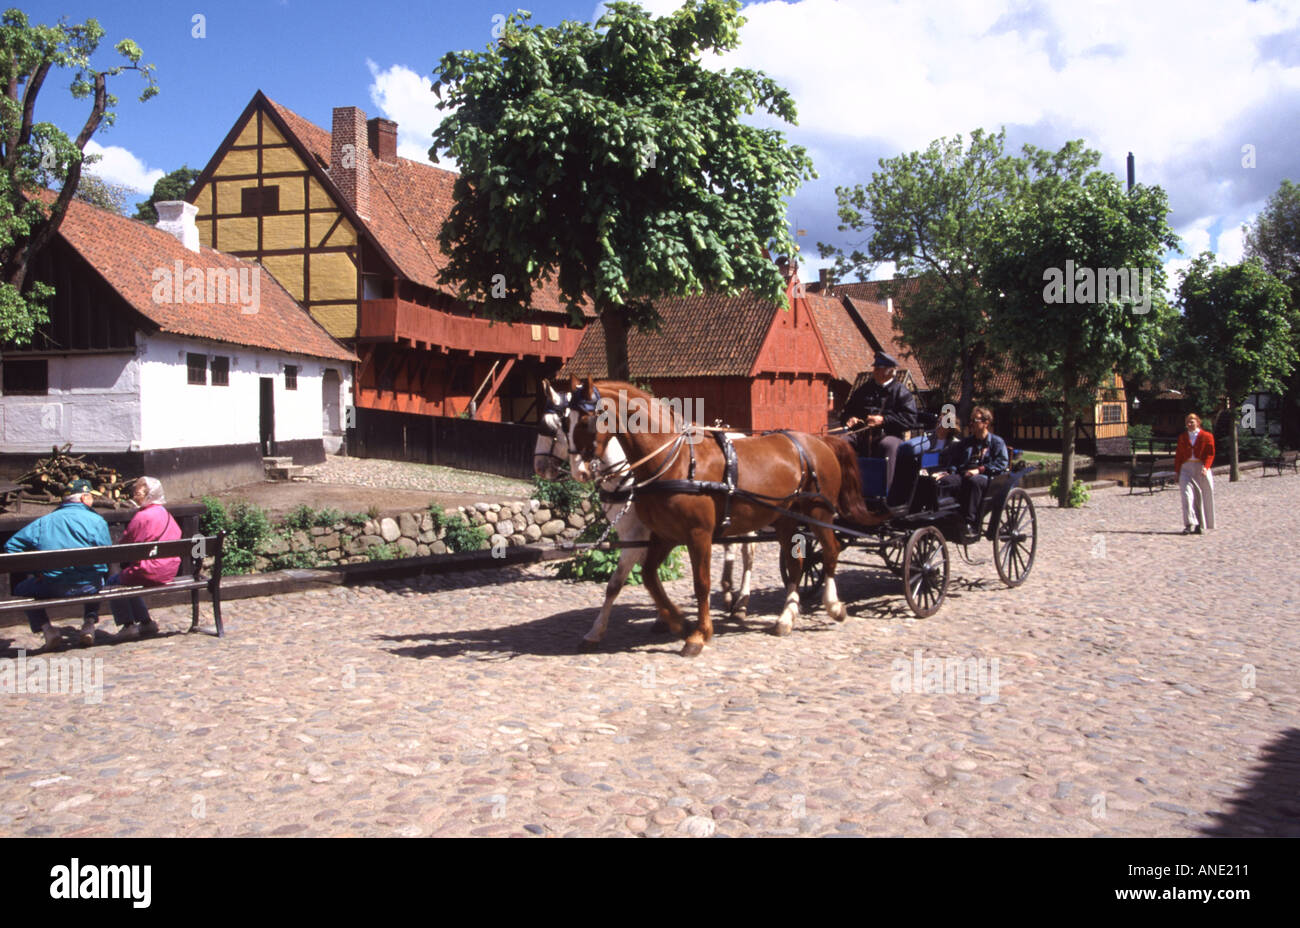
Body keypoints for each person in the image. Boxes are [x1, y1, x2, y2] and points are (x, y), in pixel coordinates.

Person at [2, 478, 111, 650]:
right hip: (89, 585)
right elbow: (107, 552)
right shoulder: (98, 521)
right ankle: (89, 624)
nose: (93, 500)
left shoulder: (44, 522)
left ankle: (47, 629)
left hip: (52, 585)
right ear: (83, 498)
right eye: (90, 496)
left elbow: (11, 546)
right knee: (97, 577)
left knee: (23, 588)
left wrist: (37, 570)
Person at [103, 477, 181, 640]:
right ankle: (146, 622)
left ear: (148, 495)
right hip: (169, 569)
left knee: (113, 583)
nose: (134, 495)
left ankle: (128, 625)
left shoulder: (142, 517)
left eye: (138, 492)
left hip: (148, 570)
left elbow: (125, 546)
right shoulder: (166, 514)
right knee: (128, 577)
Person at [840, 351, 919, 493]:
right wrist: (849, 418)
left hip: (890, 435)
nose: (874, 372)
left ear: (889, 372)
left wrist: (884, 420)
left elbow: (910, 419)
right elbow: (846, 411)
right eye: (874, 368)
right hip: (862, 435)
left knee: (887, 445)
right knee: (841, 442)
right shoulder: (864, 389)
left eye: (878, 369)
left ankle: (884, 493)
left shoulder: (901, 392)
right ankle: (845, 489)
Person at [935, 407, 1009, 533]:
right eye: (971, 421)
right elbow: (955, 461)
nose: (971, 424)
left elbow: (1001, 463)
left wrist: (980, 470)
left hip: (987, 477)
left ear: (986, 423)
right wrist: (948, 472)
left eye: (975, 420)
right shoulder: (966, 442)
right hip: (965, 474)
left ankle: (971, 522)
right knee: (946, 481)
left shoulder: (997, 442)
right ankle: (943, 517)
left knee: (975, 482)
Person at [1175, 412, 1215, 534]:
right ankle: (1189, 523)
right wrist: (1177, 471)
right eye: (1187, 422)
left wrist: (1206, 467)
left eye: (1192, 421)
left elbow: (1210, 453)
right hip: (1186, 467)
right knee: (1186, 496)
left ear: (1198, 422)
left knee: (1200, 497)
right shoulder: (1183, 437)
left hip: (1200, 467)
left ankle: (1200, 524)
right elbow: (1179, 456)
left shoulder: (1206, 436)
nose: (1189, 424)